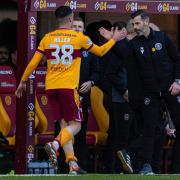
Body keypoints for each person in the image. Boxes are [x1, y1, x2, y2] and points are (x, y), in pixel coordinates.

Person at [15, 5, 125, 175]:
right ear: (70, 19)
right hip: (68, 87)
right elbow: (101, 52)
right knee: (77, 126)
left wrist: (22, 81)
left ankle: (72, 163)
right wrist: (114, 39)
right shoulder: (78, 37)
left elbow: (33, 63)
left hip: (51, 88)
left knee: (64, 124)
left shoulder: (47, 37)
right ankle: (55, 143)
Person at [100, 9, 180, 174]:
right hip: (149, 94)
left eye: (137, 23)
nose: (135, 27)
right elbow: (122, 52)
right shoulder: (134, 44)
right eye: (133, 24)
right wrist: (112, 41)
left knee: (164, 128)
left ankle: (131, 153)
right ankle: (146, 166)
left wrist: (178, 81)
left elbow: (177, 59)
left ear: (146, 21)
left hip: (170, 90)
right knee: (151, 130)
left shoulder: (162, 38)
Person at [104, 21, 133, 174]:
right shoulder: (115, 48)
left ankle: (116, 168)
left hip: (127, 96)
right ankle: (115, 168)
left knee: (121, 133)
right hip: (120, 98)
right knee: (119, 134)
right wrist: (124, 91)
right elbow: (110, 73)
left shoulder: (125, 46)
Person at [72, 17, 100, 171]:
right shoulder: (64, 46)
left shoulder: (90, 48)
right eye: (74, 25)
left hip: (83, 97)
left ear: (83, 29)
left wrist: (91, 82)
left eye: (79, 26)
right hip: (66, 95)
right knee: (63, 131)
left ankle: (80, 166)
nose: (76, 28)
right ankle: (62, 167)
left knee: (81, 132)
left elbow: (97, 72)